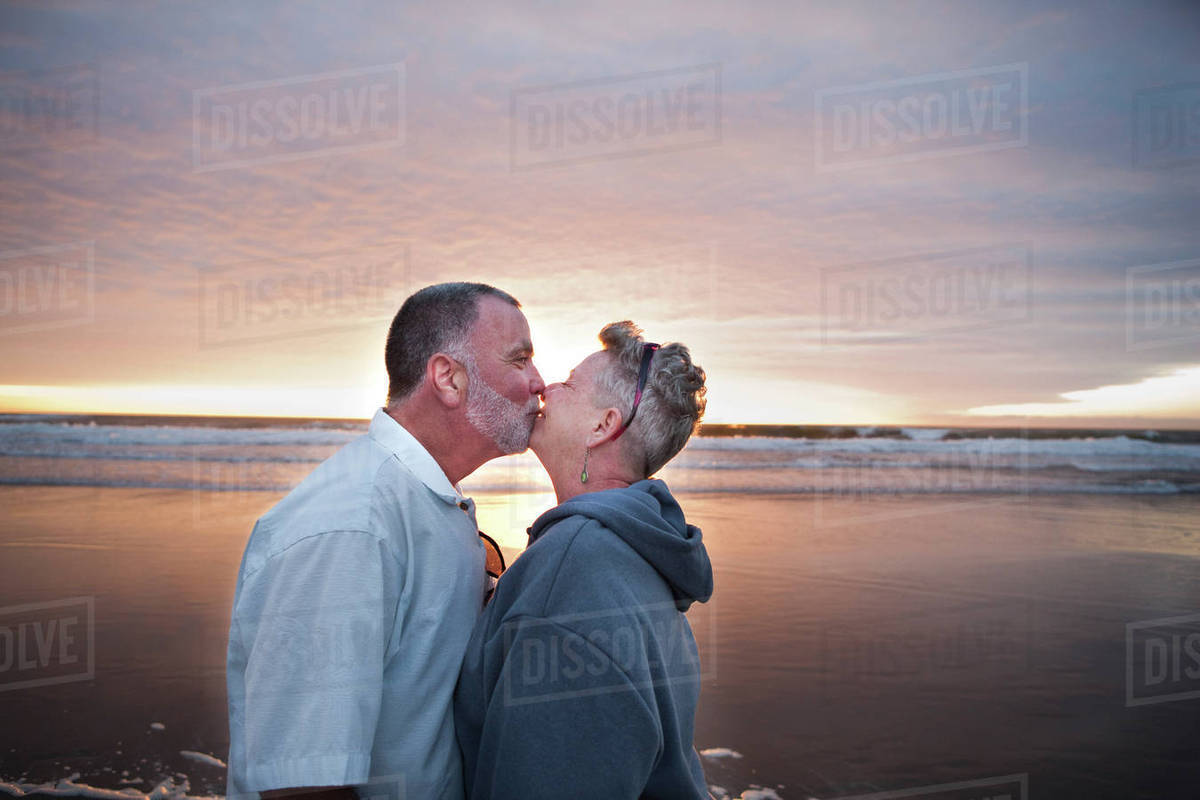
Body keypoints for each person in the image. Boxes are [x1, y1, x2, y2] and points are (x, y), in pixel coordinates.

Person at [225, 283, 544, 800]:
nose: (538, 382)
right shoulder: (349, 530)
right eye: (520, 359)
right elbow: (304, 784)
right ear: (448, 377)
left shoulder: (429, 499)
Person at [454, 321, 713, 800]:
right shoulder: (641, 549)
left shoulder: (574, 564)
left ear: (603, 425)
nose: (546, 387)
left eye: (569, 384)